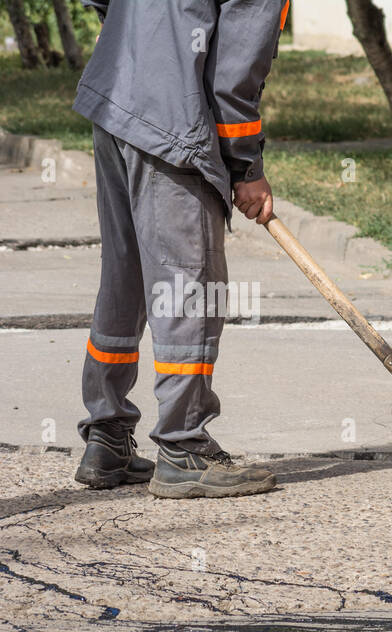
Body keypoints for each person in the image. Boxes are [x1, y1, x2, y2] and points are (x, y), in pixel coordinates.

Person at [72, 0, 291, 498]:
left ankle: (107, 437)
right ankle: (183, 448)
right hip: (172, 121)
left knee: (126, 276)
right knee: (189, 284)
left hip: (115, 102)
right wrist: (246, 168)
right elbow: (235, 72)